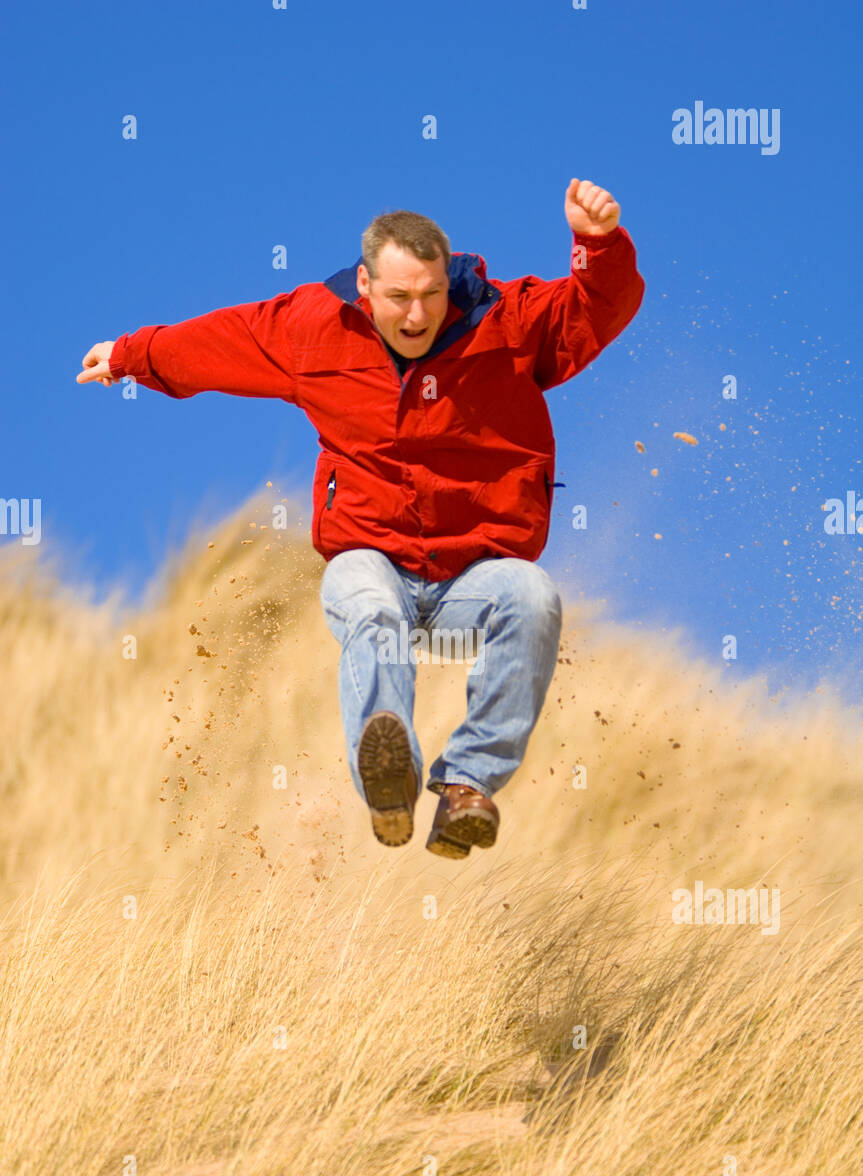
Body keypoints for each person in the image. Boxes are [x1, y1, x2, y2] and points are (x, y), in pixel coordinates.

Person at [78, 178, 644, 857]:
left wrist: (598, 243)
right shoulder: (313, 328)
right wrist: (131, 354)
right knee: (368, 600)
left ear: (449, 282)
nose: (416, 316)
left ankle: (469, 787)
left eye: (432, 296)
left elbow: (595, 306)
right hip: (374, 561)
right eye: (399, 298)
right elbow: (220, 341)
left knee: (532, 595)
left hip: (475, 585)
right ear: (365, 289)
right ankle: (389, 777)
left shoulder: (507, 324)